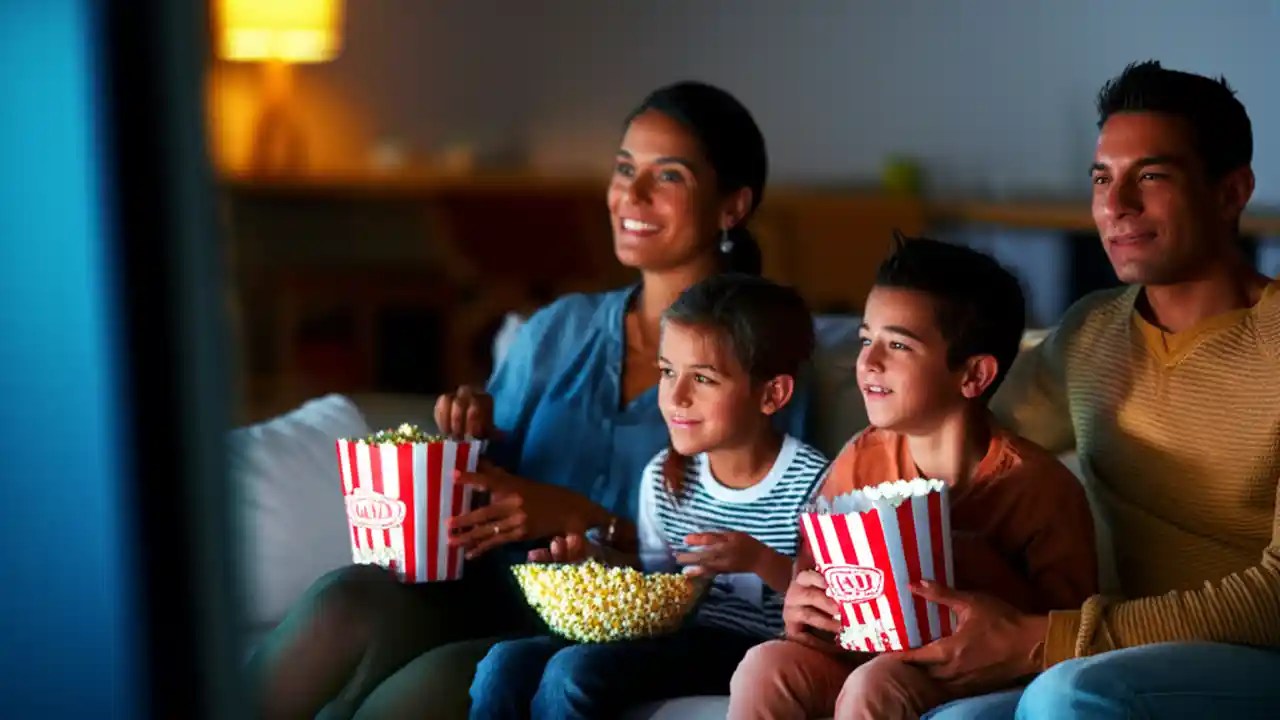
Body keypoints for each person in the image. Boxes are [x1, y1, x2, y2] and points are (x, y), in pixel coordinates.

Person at [248, 81, 813, 720]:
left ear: (732, 206)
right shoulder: (558, 329)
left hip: (607, 630)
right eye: (624, 168)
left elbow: (745, 550)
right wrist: (467, 438)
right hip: (482, 589)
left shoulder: (760, 361)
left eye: (668, 176)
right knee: (344, 598)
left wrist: (579, 516)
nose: (631, 194)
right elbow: (479, 489)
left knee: (434, 683)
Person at [897, 61, 1280, 719]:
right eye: (1102, 179)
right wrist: (822, 563)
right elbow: (961, 447)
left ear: (1230, 191)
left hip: (1258, 656)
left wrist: (1043, 639)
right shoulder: (1091, 332)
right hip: (1124, 656)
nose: (1116, 205)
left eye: (1151, 176)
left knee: (1068, 694)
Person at [726, 236, 1097, 719]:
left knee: (875, 684)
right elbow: (812, 578)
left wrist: (975, 569)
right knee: (765, 665)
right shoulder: (860, 460)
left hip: (962, 675)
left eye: (898, 345)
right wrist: (802, 606)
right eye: (866, 340)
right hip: (859, 657)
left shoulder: (1039, 489)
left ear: (974, 376)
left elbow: (1070, 641)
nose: (868, 362)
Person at [468, 273, 830, 719]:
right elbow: (659, 581)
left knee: (572, 673)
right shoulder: (663, 477)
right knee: (503, 664)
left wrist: (759, 560)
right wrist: (596, 560)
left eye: (703, 378)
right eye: (667, 372)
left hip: (752, 649)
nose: (676, 396)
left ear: (772, 393)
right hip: (671, 636)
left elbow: (830, 604)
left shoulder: (813, 484)